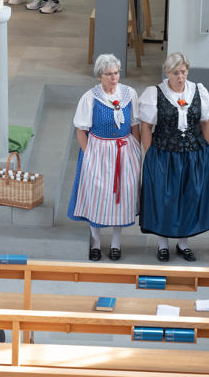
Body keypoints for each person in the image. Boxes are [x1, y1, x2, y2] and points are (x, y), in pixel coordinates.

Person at [137, 52, 209, 262]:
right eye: (176, 72)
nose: (181, 76)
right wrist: (150, 153)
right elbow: (146, 126)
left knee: (190, 196)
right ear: (167, 72)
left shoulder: (198, 90)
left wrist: (205, 150)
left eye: (183, 71)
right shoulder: (154, 93)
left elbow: (205, 122)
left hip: (193, 154)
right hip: (164, 153)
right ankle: (163, 245)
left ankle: (183, 244)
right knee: (165, 198)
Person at [68, 53, 142, 261]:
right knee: (97, 195)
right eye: (108, 74)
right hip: (98, 152)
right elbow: (81, 130)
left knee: (122, 195)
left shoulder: (129, 94)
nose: (113, 78)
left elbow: (135, 124)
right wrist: (89, 154)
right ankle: (96, 242)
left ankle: (116, 243)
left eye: (116, 73)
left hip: (124, 151)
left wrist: (136, 150)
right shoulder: (90, 97)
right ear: (100, 76)